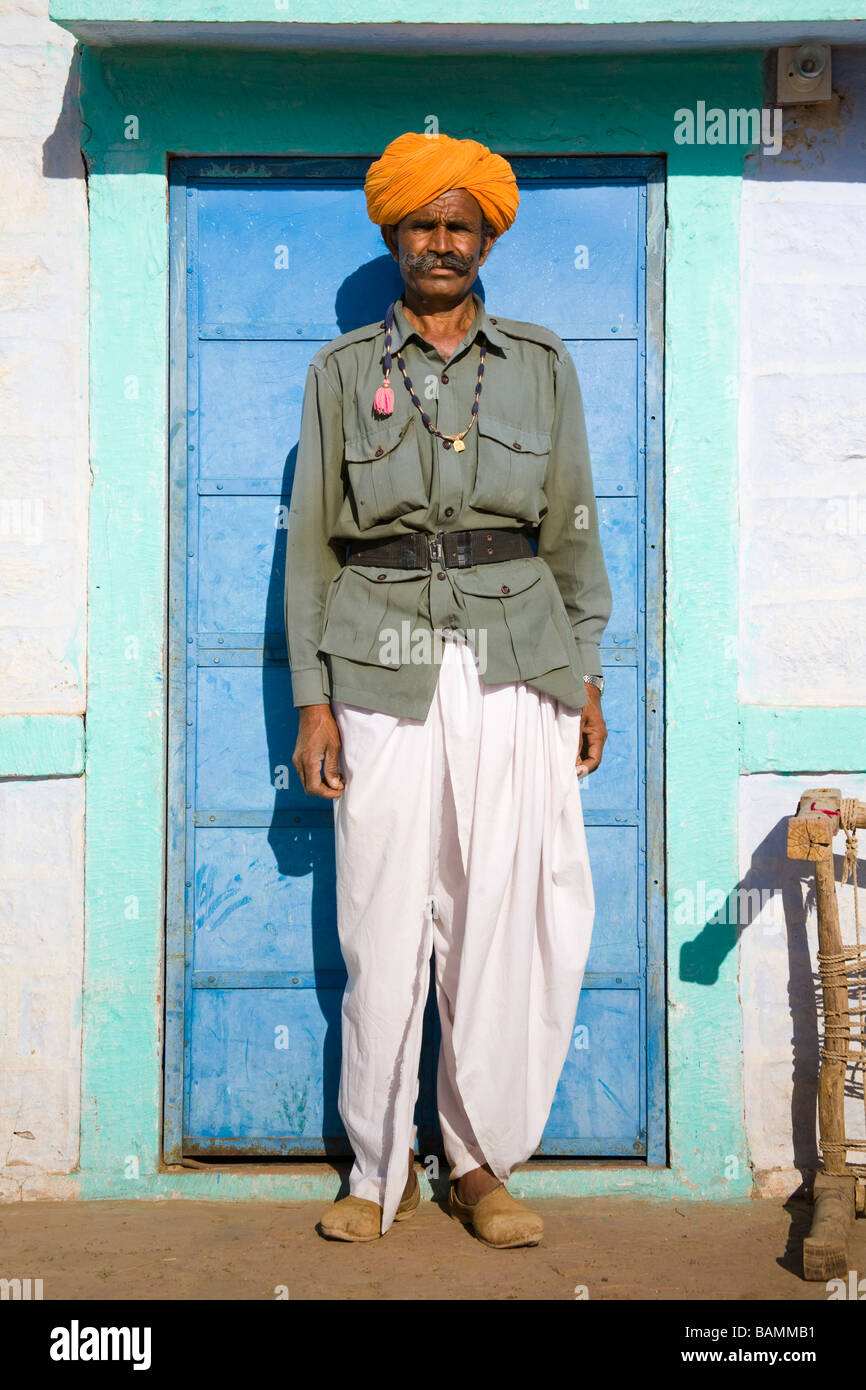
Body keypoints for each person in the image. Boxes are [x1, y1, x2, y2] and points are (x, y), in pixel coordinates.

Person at [285, 130, 612, 1247]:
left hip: (518, 658)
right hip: (379, 659)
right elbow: (310, 556)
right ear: (391, 234)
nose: (439, 241)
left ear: (483, 240)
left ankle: (478, 1161)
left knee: (501, 915)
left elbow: (571, 526)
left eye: (458, 225)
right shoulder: (339, 374)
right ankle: (379, 1171)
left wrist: (588, 673)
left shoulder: (539, 362)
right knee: (382, 916)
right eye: (421, 223)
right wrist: (312, 698)